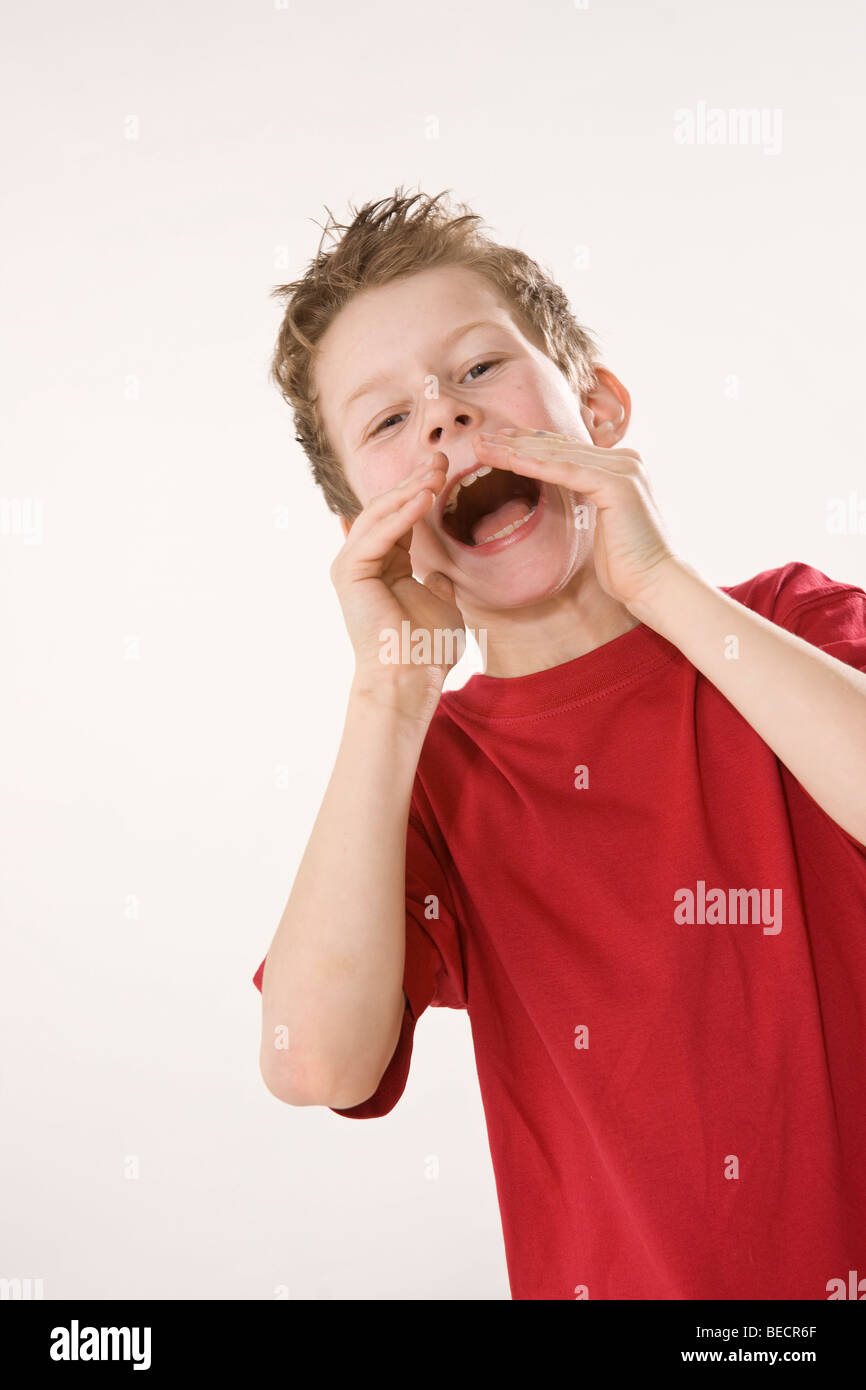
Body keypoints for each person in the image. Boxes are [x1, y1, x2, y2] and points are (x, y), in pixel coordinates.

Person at [252, 187, 866, 1300]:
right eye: (386, 421)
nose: (441, 417)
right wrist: (389, 698)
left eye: (477, 369)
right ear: (365, 534)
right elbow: (311, 1056)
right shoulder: (430, 785)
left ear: (599, 403)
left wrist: (660, 586)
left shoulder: (788, 629)